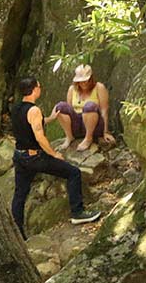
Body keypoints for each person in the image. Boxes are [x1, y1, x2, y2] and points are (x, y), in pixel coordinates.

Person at [11, 76, 102, 238]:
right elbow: (39, 136)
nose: (40, 88)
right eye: (39, 86)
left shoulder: (17, 108)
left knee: (20, 194)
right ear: (34, 90)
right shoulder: (34, 110)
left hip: (19, 156)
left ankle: (16, 233)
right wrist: (54, 154)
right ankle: (77, 213)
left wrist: (51, 119)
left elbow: (30, 124)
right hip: (34, 158)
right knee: (73, 173)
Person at [52, 64, 116, 152]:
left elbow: (104, 110)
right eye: (81, 81)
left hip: (94, 124)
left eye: (86, 80)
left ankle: (88, 138)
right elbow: (69, 110)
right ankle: (69, 136)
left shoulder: (99, 87)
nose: (84, 83)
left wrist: (105, 132)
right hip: (77, 124)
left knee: (89, 106)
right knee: (61, 106)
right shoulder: (72, 89)